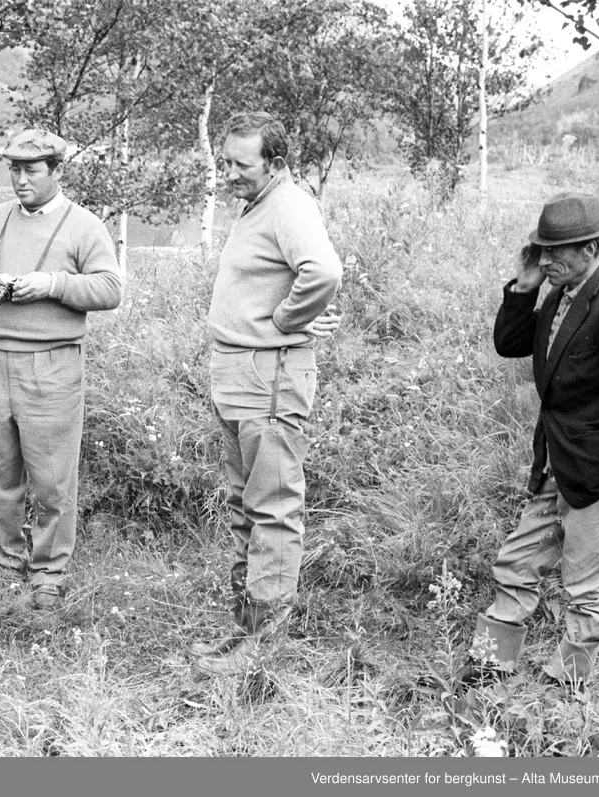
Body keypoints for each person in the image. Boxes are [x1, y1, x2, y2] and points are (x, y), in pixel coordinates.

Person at [459, 193, 599, 689]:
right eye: (542, 249)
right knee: (515, 564)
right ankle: (487, 672)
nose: (545, 259)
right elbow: (509, 343)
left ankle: (567, 690)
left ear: (592, 247)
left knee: (585, 587)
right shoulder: (560, 293)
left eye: (556, 251)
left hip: (596, 472)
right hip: (555, 463)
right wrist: (523, 288)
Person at [191, 112, 343, 676]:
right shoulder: (260, 204)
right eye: (224, 161)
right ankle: (243, 629)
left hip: (269, 375)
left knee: (274, 506)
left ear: (276, 164)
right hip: (239, 372)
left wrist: (287, 319)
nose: (228, 173)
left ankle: (264, 645)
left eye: (240, 164)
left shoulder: (290, 204)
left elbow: (323, 271)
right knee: (245, 505)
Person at [0, 129, 122, 609]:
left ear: (57, 171)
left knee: (51, 477)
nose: (20, 180)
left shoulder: (84, 225)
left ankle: (48, 572)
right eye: (14, 170)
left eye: (30, 171)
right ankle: (5, 563)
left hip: (51, 365)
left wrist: (52, 284)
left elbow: (110, 289)